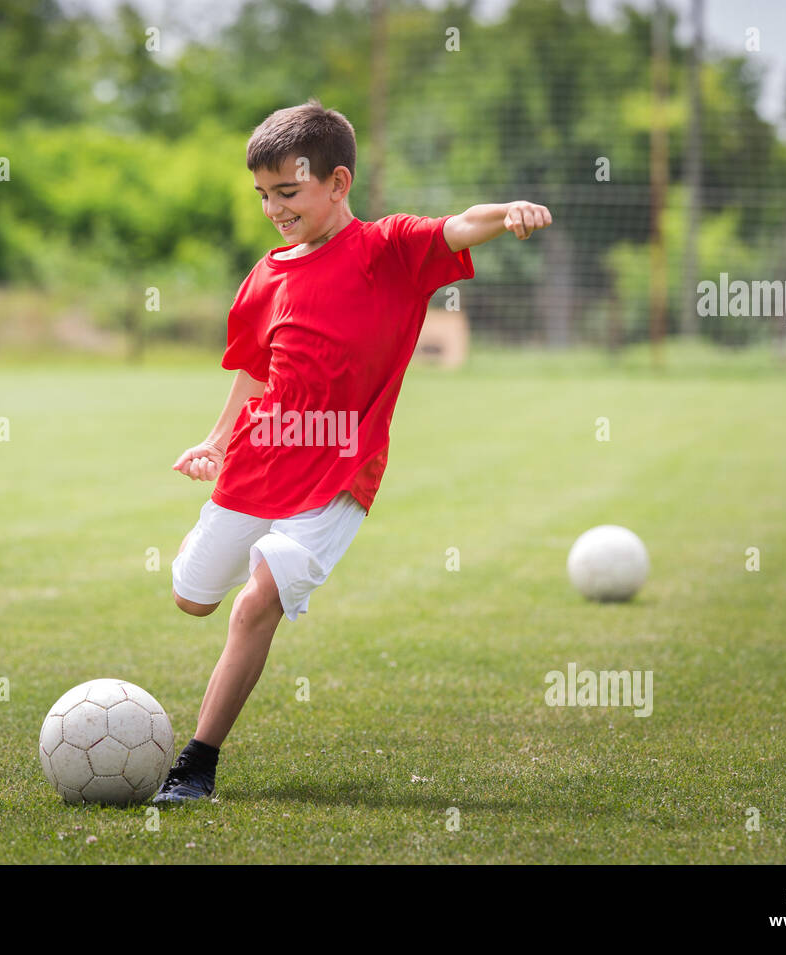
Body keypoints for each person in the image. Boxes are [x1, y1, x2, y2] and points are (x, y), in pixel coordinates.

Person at [155, 99, 551, 803]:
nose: (275, 208)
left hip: (341, 470)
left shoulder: (389, 248)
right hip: (260, 459)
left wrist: (509, 210)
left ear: (337, 183)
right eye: (264, 195)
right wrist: (215, 442)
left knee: (257, 603)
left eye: (289, 191)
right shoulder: (264, 278)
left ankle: (195, 767)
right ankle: (213, 560)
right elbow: (253, 369)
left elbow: (458, 225)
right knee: (192, 599)